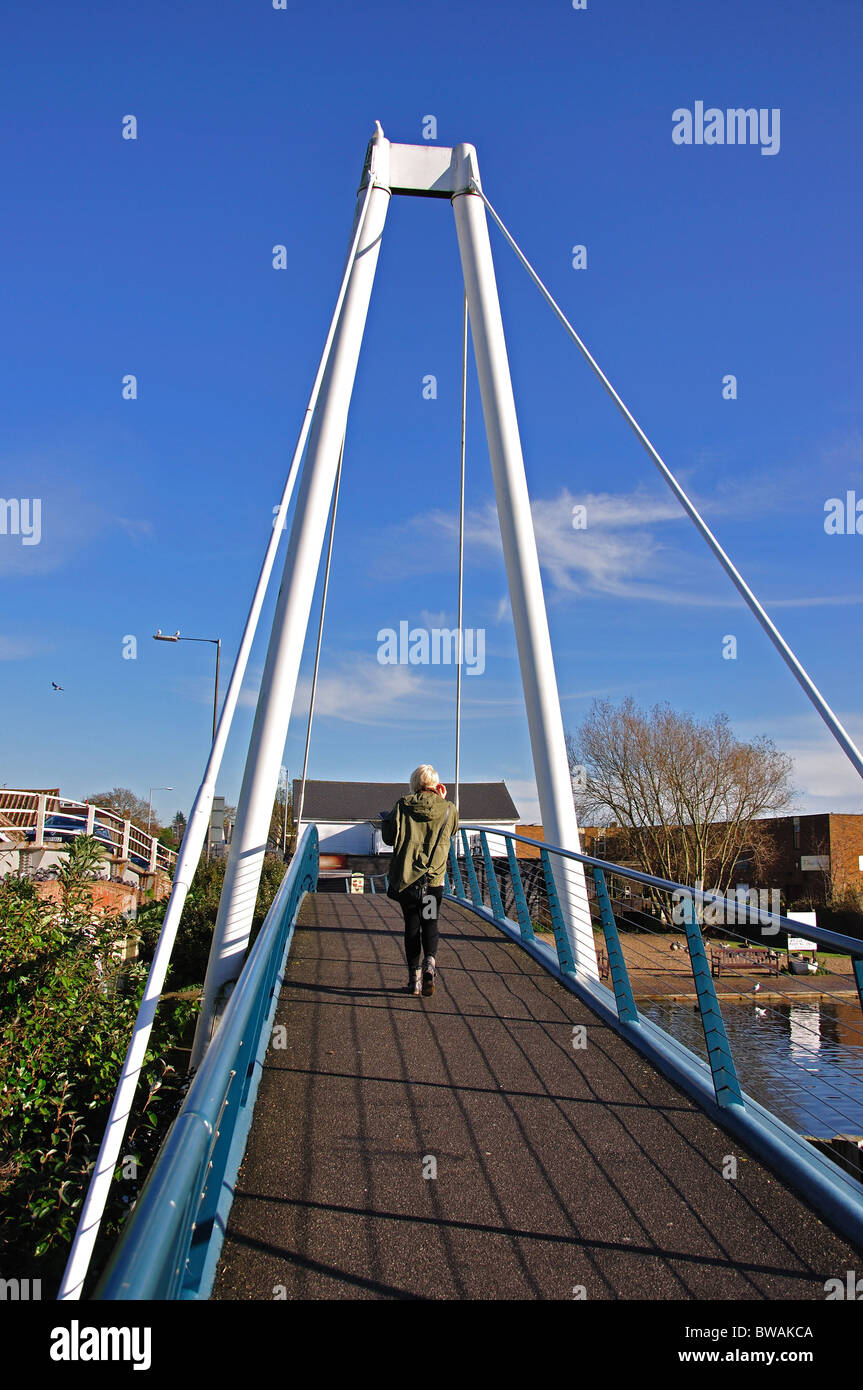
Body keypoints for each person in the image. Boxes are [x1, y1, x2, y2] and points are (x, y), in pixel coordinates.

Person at [379, 765, 459, 997]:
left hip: (408, 883)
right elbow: (452, 831)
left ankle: (413, 979)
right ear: (436, 784)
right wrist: (443, 800)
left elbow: (388, 837)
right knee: (430, 922)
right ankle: (430, 963)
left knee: (412, 927)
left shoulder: (402, 805)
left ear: (414, 783)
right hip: (433, 883)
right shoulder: (448, 809)